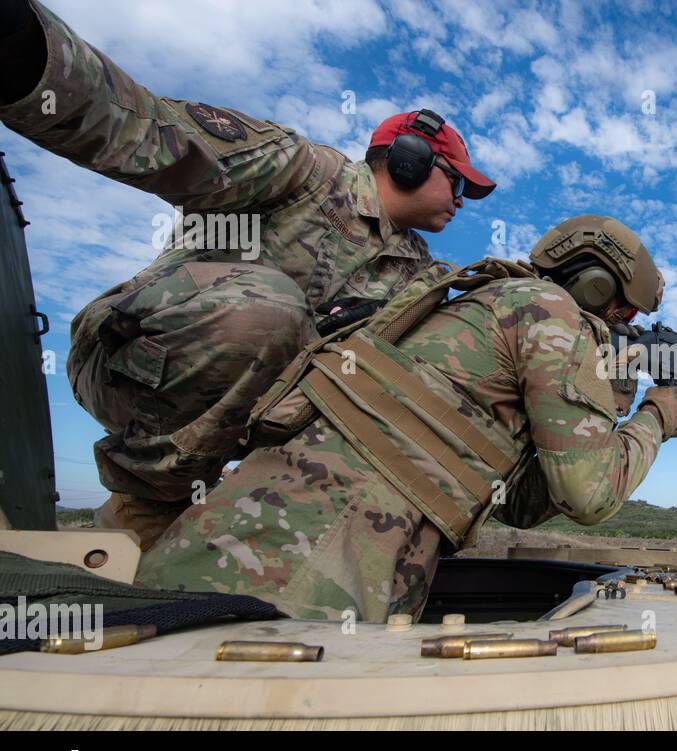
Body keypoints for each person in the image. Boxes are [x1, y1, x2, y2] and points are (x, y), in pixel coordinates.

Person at [0, 0, 495, 547]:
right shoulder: (303, 172)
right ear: (410, 159)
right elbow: (156, 133)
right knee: (271, 311)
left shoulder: (416, 271)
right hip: (132, 358)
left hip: (258, 405)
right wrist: (24, 51)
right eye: (458, 182)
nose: (462, 201)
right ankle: (143, 509)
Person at [136, 215, 677, 622]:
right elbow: (591, 495)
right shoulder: (550, 311)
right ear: (595, 285)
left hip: (244, 547)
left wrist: (603, 413)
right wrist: (658, 415)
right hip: (301, 578)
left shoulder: (486, 304)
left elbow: (520, 502)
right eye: (622, 311)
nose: (621, 324)